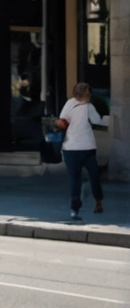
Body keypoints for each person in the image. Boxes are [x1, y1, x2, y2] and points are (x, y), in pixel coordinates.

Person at [58, 81, 107, 221]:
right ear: (88, 93)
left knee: (75, 180)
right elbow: (97, 120)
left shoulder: (69, 103)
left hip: (70, 148)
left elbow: (63, 118)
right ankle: (98, 202)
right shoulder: (89, 107)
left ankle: (74, 210)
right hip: (87, 148)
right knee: (94, 176)